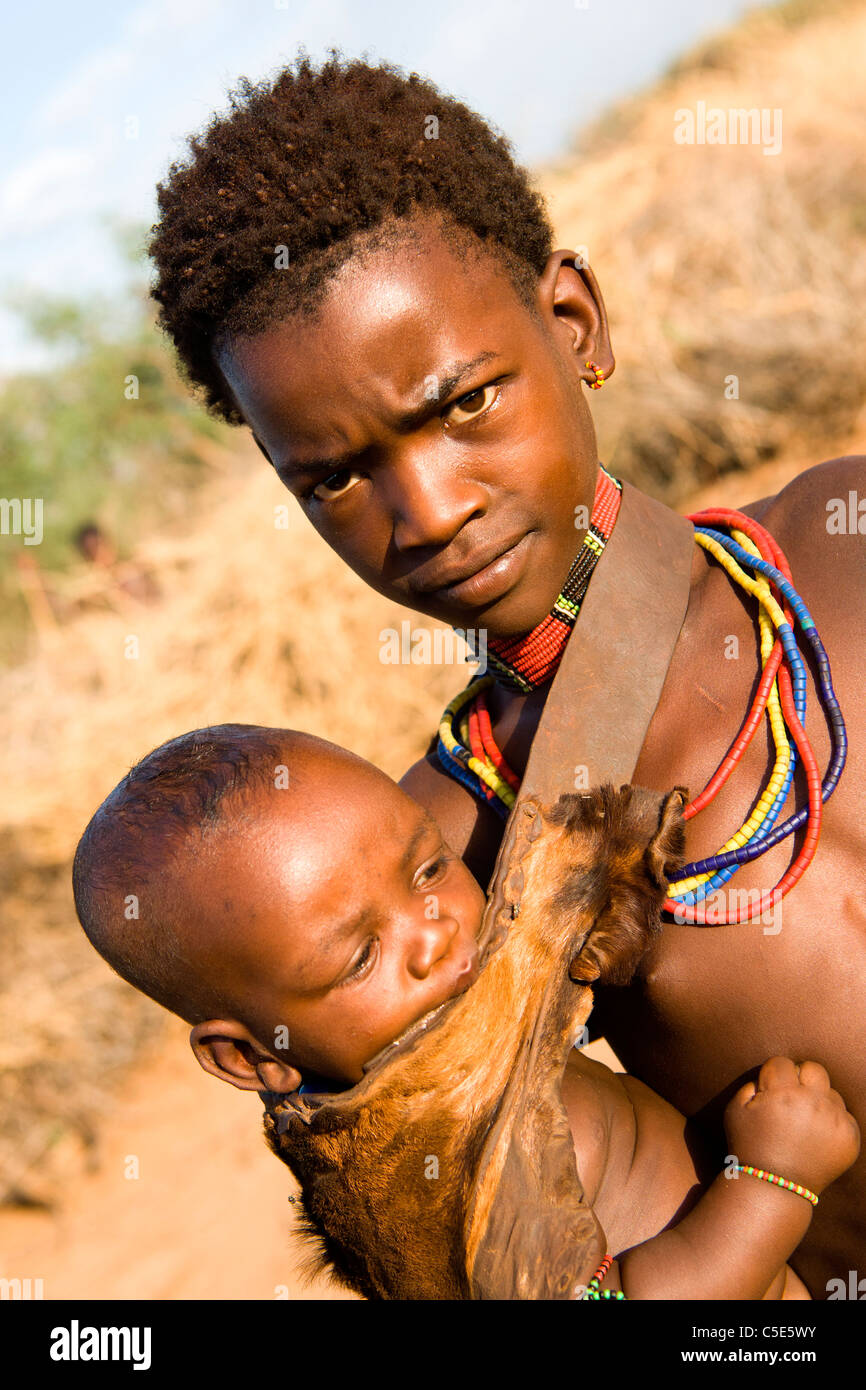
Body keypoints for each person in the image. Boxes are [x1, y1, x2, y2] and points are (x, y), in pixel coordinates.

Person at [146, 53, 866, 1295]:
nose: (425, 509)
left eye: (466, 400)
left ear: (573, 324)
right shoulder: (432, 882)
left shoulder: (842, 534)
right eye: (333, 475)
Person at [71, 724, 859, 1300]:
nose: (435, 929)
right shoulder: (423, 1181)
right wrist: (772, 1179)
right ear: (252, 1059)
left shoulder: (442, 1026)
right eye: (359, 957)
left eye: (429, 868)